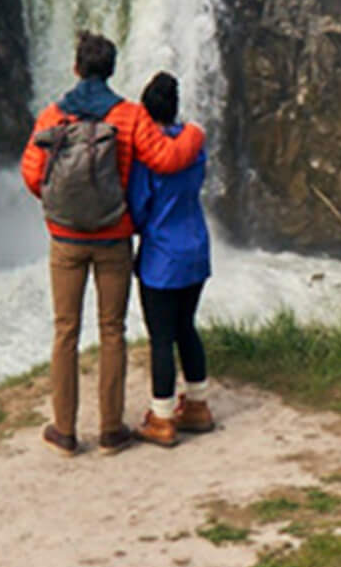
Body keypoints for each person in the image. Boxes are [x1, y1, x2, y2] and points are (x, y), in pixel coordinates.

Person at [21, 31, 205, 457]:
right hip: (114, 239)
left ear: (75, 68)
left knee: (65, 331)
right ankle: (110, 430)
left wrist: (59, 208)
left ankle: (64, 432)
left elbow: (32, 173)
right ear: (112, 69)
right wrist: (195, 133)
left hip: (65, 240)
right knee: (112, 331)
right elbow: (167, 158)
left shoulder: (52, 116)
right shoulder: (131, 116)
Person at [128, 70, 214, 448]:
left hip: (162, 258)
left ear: (146, 114)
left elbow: (139, 208)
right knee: (186, 328)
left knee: (161, 337)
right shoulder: (196, 150)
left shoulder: (147, 159)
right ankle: (197, 406)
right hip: (195, 249)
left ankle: (161, 419)